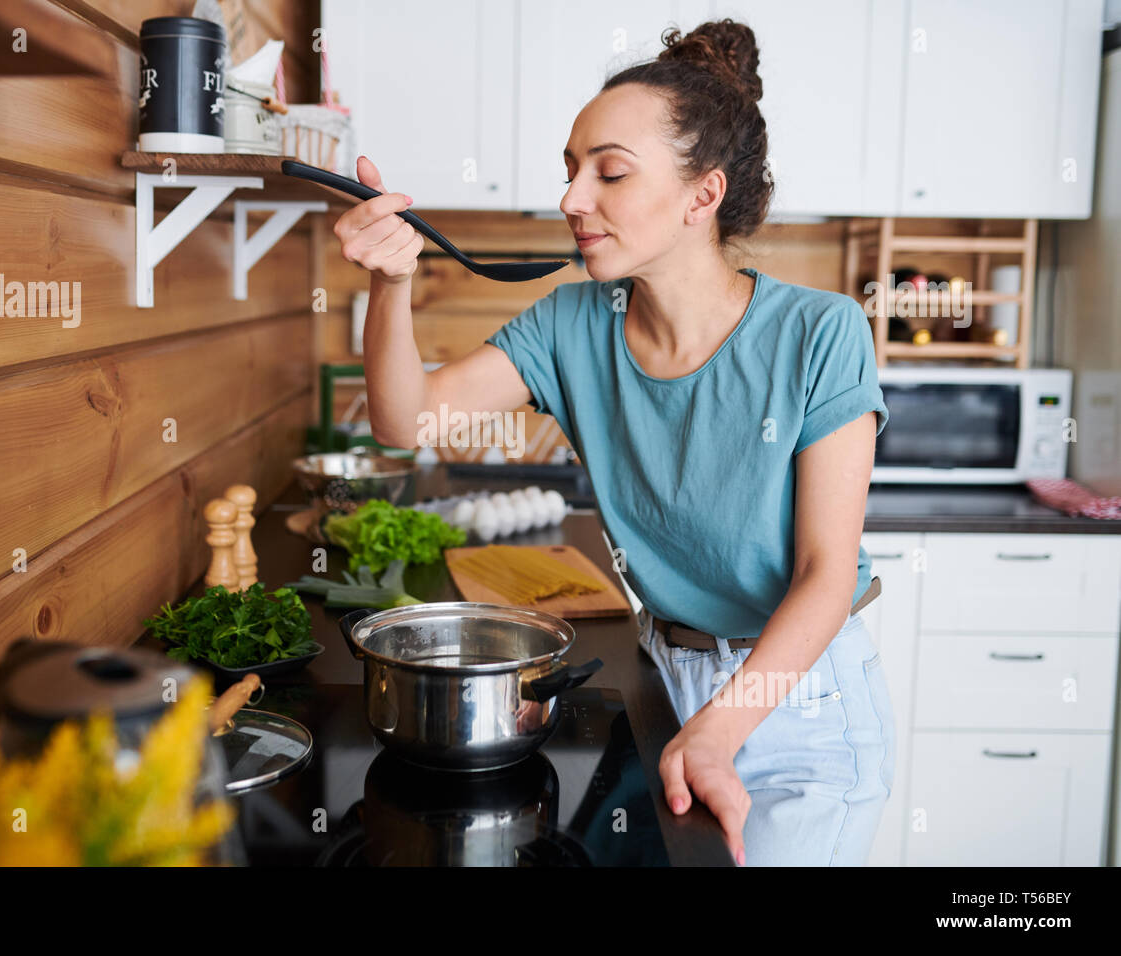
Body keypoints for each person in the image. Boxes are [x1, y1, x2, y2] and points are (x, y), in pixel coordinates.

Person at [330, 18, 895, 867]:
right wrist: (391, 281)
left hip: (796, 702)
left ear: (702, 195)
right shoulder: (570, 325)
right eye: (570, 169)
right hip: (665, 677)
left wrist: (720, 731)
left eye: (610, 173)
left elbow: (826, 576)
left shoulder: (820, 332)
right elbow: (406, 424)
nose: (571, 199)